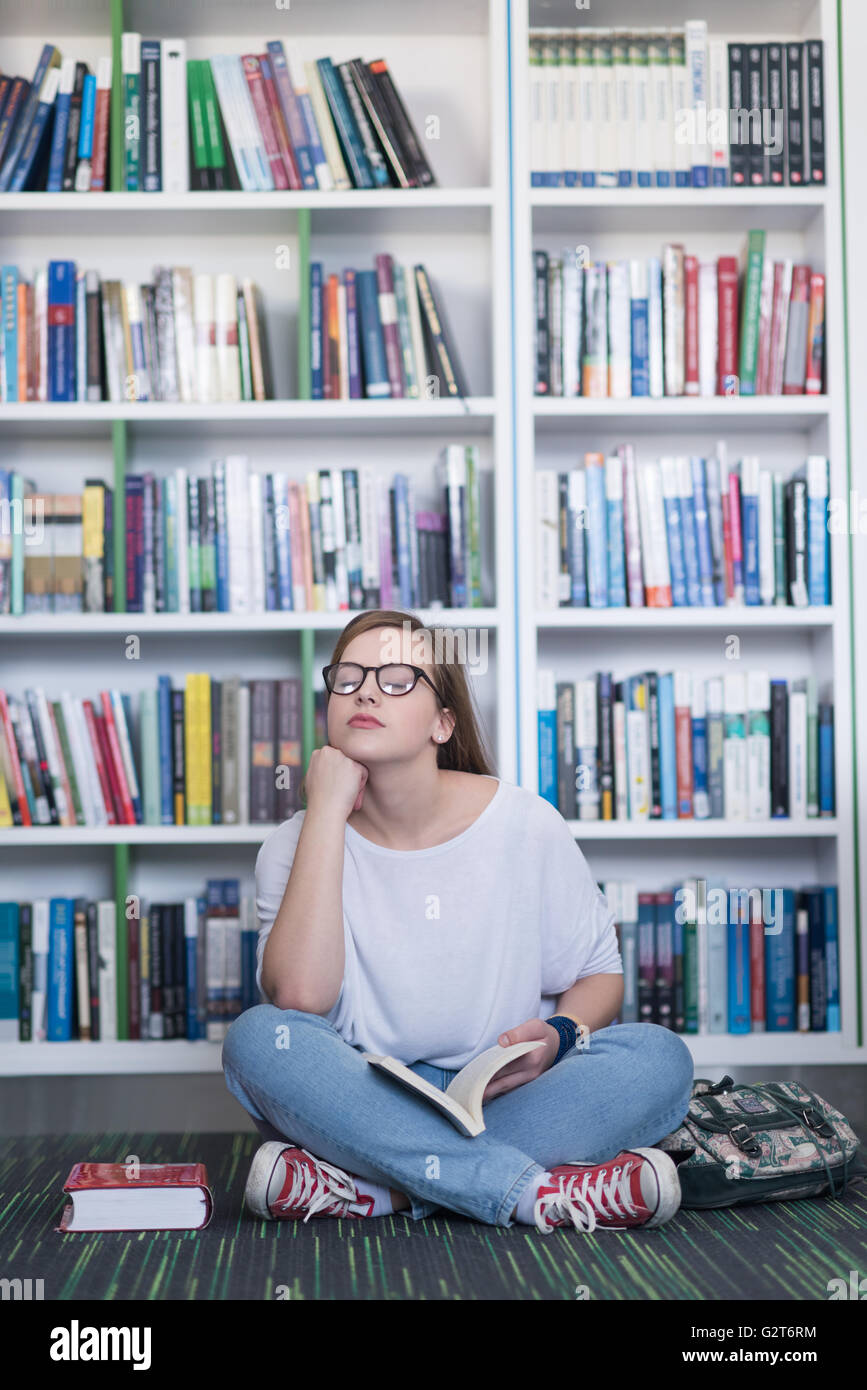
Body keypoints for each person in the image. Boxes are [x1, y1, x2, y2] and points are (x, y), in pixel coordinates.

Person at [221, 609, 695, 1235]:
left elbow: (599, 976)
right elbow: (301, 1000)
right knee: (257, 1041)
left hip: (501, 1095)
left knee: (659, 1059)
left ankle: (375, 1188)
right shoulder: (294, 844)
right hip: (361, 1096)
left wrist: (559, 1031)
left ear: (443, 722)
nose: (365, 690)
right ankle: (532, 1192)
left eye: (396, 679)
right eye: (349, 677)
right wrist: (327, 810)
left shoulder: (525, 823)